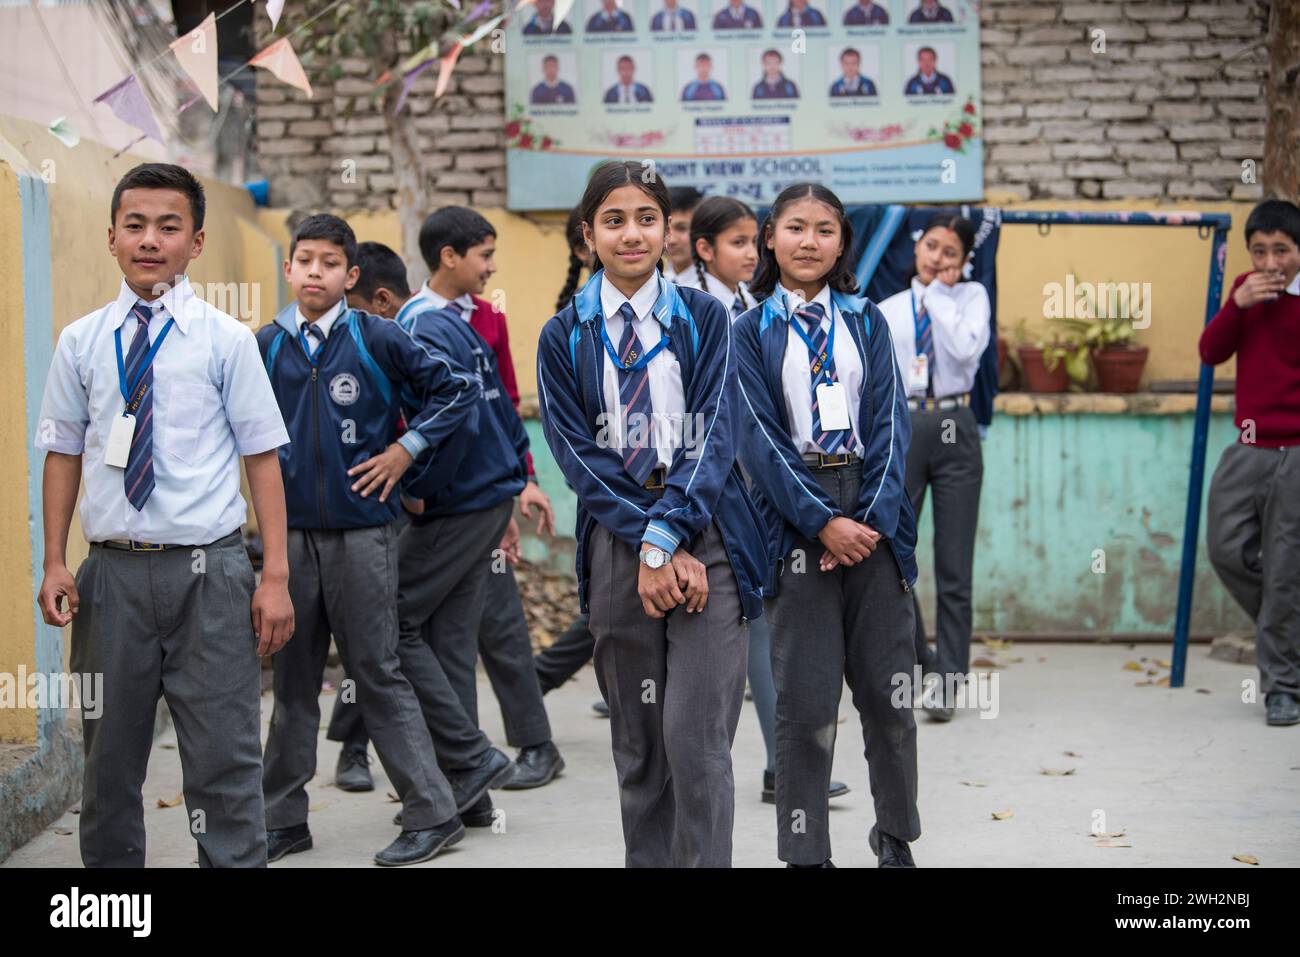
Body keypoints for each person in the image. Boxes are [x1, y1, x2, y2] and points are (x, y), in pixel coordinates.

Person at [35, 162, 294, 868]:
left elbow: (262, 458)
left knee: (223, 757)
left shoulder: (226, 341)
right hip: (110, 577)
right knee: (108, 759)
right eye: (136, 225)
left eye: (169, 226)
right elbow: (62, 454)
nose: (151, 239)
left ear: (197, 240)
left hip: (209, 576)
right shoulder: (81, 342)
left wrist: (273, 575)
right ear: (111, 236)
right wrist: (58, 559)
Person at [536, 160, 767, 866]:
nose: (631, 233)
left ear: (669, 230)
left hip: (710, 538)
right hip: (618, 543)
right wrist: (648, 540)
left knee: (697, 745)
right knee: (639, 749)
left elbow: (717, 434)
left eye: (646, 218)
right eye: (613, 220)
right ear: (587, 236)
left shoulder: (709, 319)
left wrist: (668, 535)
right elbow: (577, 455)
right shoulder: (563, 334)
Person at [257, 214, 485, 866]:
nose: (316, 273)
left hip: (365, 535)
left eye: (331, 263)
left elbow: (459, 389)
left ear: (351, 275)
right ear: (289, 268)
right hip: (294, 538)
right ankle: (283, 817)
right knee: (294, 682)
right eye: (305, 260)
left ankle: (433, 811)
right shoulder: (265, 345)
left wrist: (404, 450)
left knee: (378, 673)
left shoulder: (377, 336)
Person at [734, 183, 920, 868]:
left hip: (873, 514)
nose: (808, 241)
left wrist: (864, 522)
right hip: (794, 517)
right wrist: (821, 522)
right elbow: (757, 439)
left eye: (823, 229)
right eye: (794, 228)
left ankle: (895, 836)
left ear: (843, 241)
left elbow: (892, 425)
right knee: (806, 707)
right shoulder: (747, 331)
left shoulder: (869, 321)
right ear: (770, 238)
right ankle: (806, 853)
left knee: (888, 697)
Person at [678, 195, 852, 806]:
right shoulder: (692, 308)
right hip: (708, 486)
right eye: (739, 243)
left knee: (762, 622)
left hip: (755, 482)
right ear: (704, 249)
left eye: (755, 241)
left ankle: (783, 765)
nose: (752, 254)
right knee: (742, 625)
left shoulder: (755, 306)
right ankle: (715, 771)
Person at [877, 215, 990, 721]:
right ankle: (922, 663)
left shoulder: (972, 299)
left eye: (950, 252)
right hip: (905, 427)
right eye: (931, 247)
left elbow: (967, 351)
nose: (938, 258)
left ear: (964, 259)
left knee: (953, 563)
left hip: (955, 424)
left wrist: (938, 297)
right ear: (916, 247)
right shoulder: (885, 310)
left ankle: (949, 679)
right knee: (896, 554)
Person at [1200, 199, 1300, 727]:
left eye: (1281, 250)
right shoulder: (1245, 289)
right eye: (1259, 251)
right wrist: (1236, 304)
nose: (1270, 263)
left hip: (1298, 451)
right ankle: (1287, 635)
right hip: (1249, 446)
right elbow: (1210, 352)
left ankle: (1281, 688)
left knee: (1286, 570)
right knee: (1225, 547)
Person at [663, 186, 704, 283]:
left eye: (681, 228)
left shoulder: (718, 288)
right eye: (664, 229)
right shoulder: (656, 283)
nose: (671, 240)